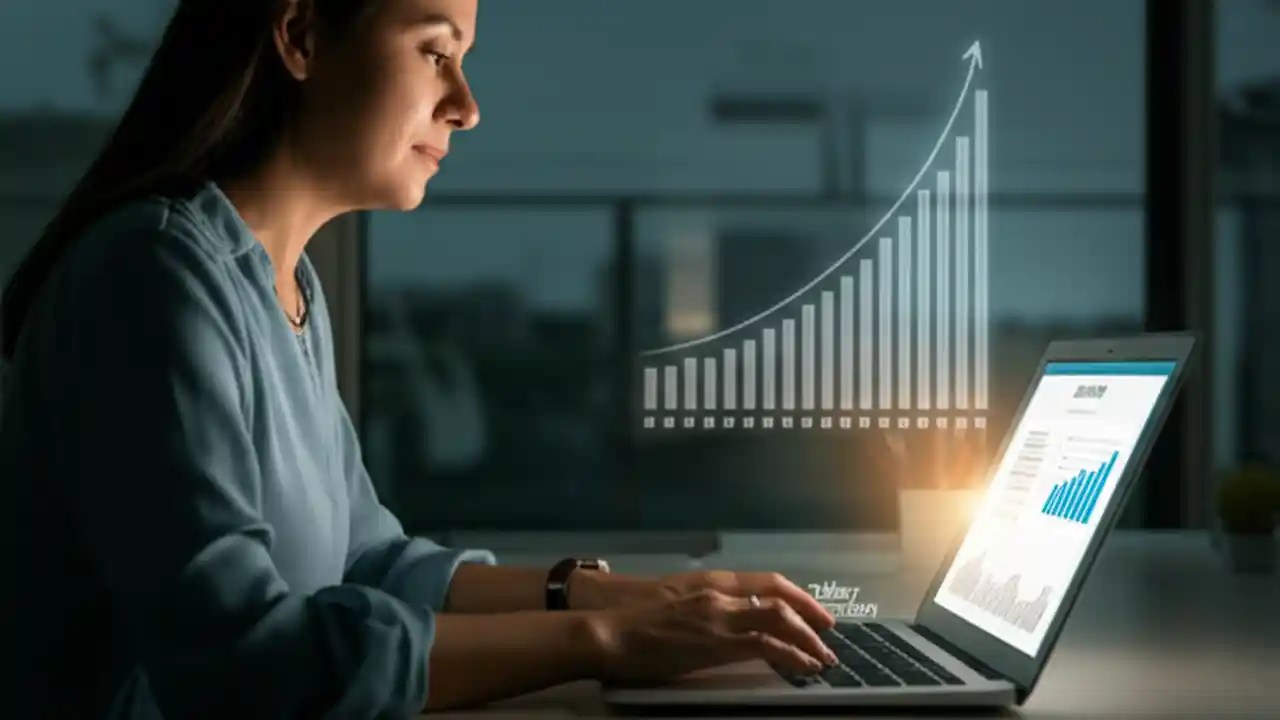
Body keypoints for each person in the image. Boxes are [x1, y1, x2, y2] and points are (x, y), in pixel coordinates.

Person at [0, 0, 838, 717]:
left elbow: (367, 562)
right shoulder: (152, 276)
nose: (467, 105)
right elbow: (240, 662)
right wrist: (606, 640)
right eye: (436, 52)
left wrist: (622, 596)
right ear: (299, 36)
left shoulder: (281, 289)